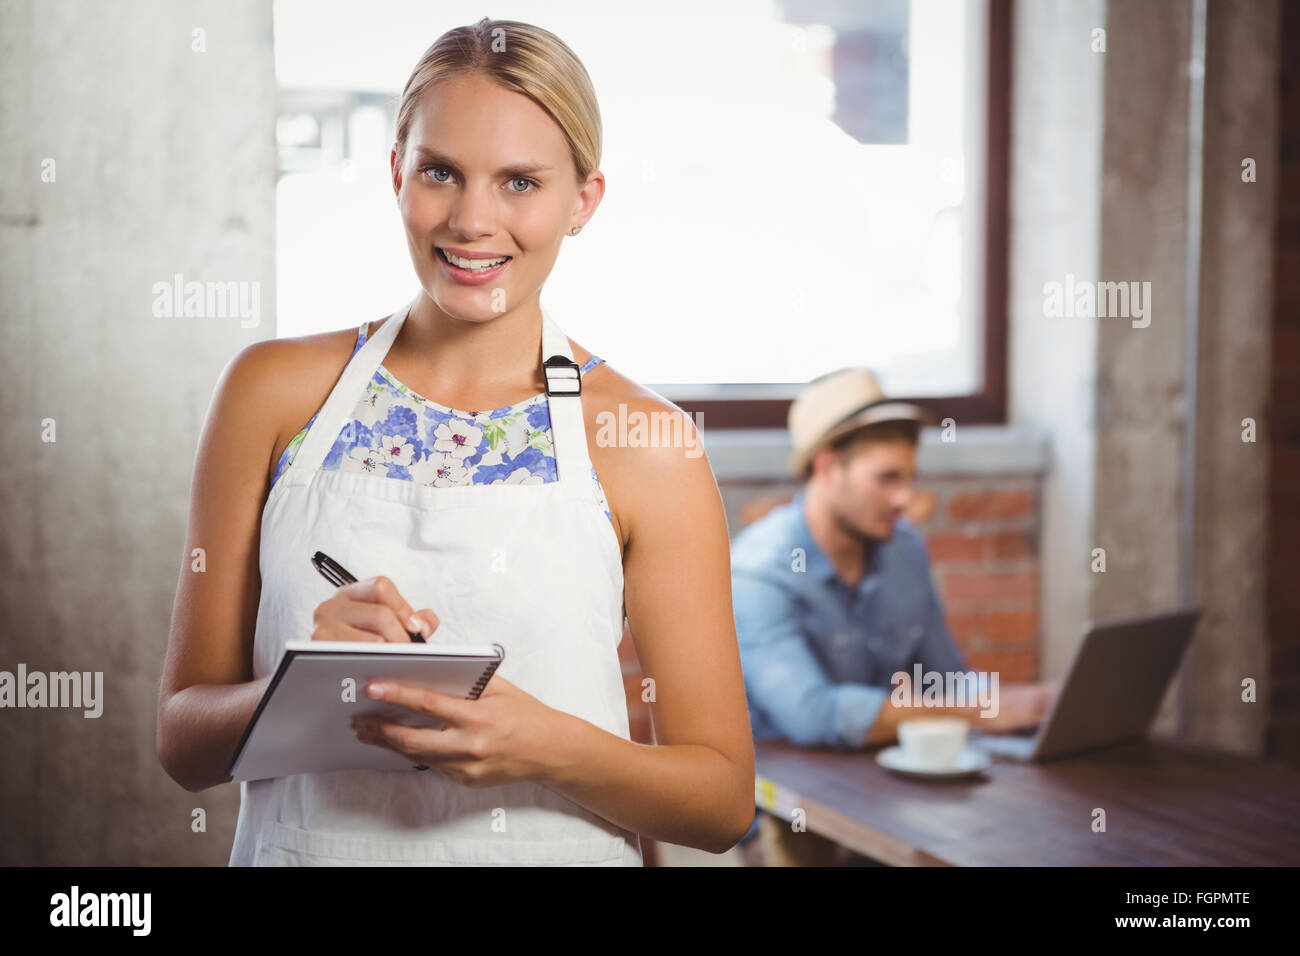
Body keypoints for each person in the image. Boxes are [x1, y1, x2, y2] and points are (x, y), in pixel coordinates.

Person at [156, 17, 754, 866]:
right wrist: (307, 682)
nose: (473, 221)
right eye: (441, 172)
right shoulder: (271, 393)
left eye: (520, 182)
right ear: (397, 174)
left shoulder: (647, 443)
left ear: (583, 201)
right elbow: (183, 744)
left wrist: (544, 746)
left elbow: (722, 800)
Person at [729, 367, 1058, 866]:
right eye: (887, 478)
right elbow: (814, 716)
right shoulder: (760, 570)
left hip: (888, 797)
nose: (906, 498)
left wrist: (1026, 705)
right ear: (827, 468)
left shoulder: (905, 552)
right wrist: (981, 711)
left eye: (908, 478)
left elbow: (946, 681)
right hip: (787, 819)